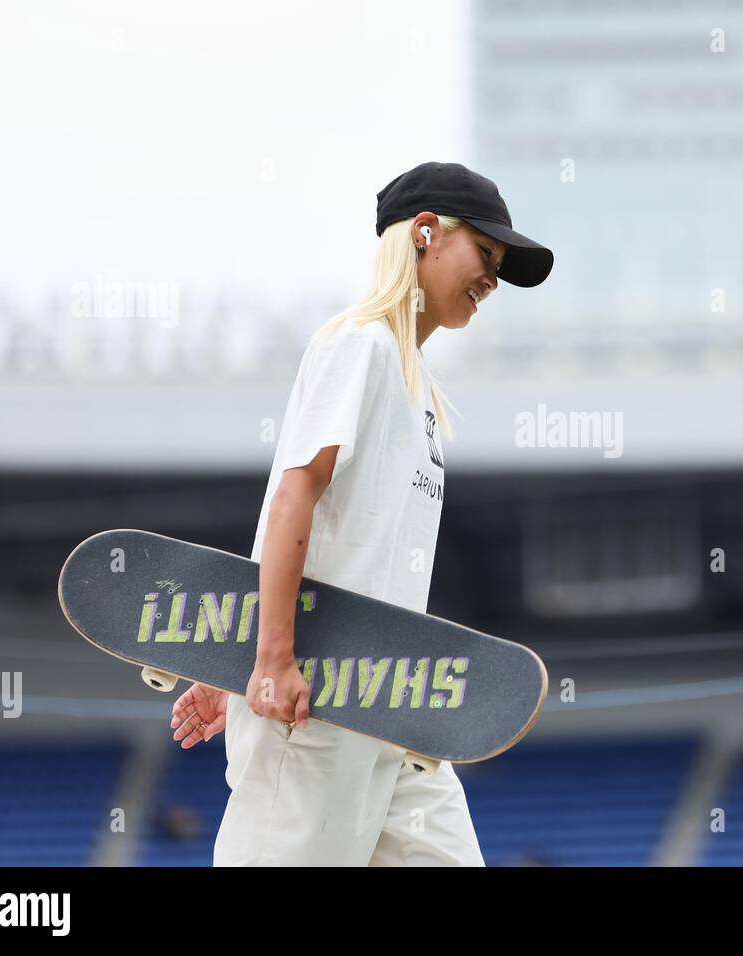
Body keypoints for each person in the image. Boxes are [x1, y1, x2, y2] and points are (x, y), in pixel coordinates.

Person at [166, 162, 553, 865]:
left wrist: (243, 659)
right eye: (486, 256)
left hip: (391, 709)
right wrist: (266, 660)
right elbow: (293, 498)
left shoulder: (421, 393)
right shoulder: (360, 346)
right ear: (427, 234)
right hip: (312, 711)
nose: (492, 280)